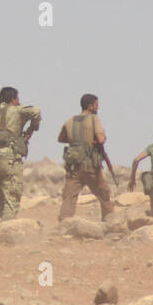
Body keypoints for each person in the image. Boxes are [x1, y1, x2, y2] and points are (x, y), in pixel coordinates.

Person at [0, 86, 41, 220]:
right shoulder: (17, 110)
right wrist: (32, 128)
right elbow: (36, 112)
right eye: (18, 99)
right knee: (11, 195)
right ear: (14, 99)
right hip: (11, 158)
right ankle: (7, 229)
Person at [57, 93, 114, 222]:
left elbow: (61, 139)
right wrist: (100, 137)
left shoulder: (70, 120)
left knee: (69, 196)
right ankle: (109, 221)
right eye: (96, 105)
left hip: (73, 165)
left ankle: (64, 223)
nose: (98, 108)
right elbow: (101, 139)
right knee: (103, 193)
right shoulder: (94, 119)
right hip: (90, 166)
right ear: (90, 106)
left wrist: (76, 141)